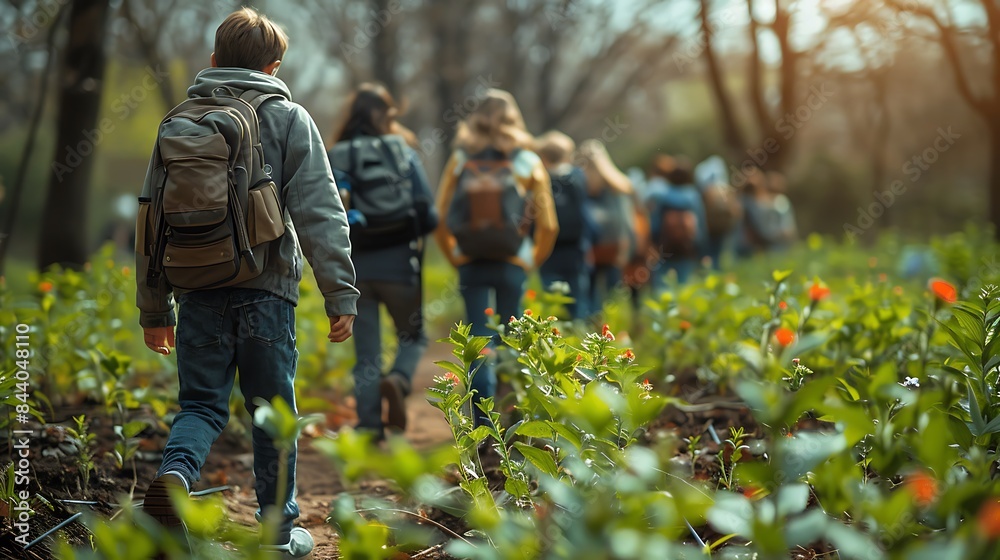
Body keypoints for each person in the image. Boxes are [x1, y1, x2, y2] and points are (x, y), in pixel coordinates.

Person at [135, 8, 359, 558]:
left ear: (213, 62)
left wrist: (154, 309)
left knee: (202, 406)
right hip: (267, 291)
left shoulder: (179, 120)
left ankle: (176, 480)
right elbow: (321, 211)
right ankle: (277, 535)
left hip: (197, 291)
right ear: (274, 65)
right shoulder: (288, 117)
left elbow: (151, 220)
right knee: (271, 410)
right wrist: (339, 292)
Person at [434, 89, 558, 427]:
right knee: (512, 335)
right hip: (512, 261)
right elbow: (548, 223)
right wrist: (530, 258)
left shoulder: (460, 158)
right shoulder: (528, 161)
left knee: (476, 340)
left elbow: (440, 216)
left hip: (471, 262)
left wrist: (454, 254)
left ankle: (482, 424)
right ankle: (515, 417)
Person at [328, 83, 438, 440]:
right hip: (400, 265)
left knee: (366, 354)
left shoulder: (335, 154)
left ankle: (369, 426)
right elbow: (428, 213)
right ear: (387, 116)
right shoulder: (402, 153)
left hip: (357, 268)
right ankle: (400, 379)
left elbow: (327, 214)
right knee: (414, 335)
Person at [534, 131, 591, 319]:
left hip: (548, 249)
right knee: (578, 299)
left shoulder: (541, 178)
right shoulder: (577, 177)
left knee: (552, 301)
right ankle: (579, 339)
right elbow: (585, 214)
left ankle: (554, 338)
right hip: (576, 249)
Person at [577, 139, 633, 317]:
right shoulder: (615, 183)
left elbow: (624, 218)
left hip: (602, 247)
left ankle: (601, 330)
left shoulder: (608, 185)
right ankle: (607, 331)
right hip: (608, 246)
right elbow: (625, 219)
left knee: (600, 294)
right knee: (607, 295)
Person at [647, 155, 707, 287]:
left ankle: (667, 307)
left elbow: (655, 223)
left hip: (665, 246)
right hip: (686, 248)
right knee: (684, 284)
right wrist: (700, 248)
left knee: (663, 284)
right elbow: (700, 224)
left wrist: (654, 243)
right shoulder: (692, 196)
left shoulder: (663, 195)